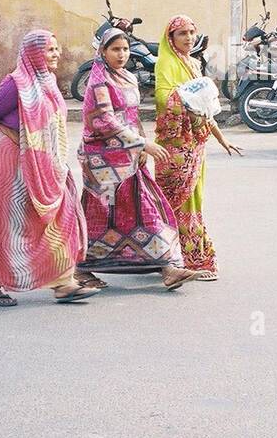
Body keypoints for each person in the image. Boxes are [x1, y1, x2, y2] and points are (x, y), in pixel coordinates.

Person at [0, 30, 97, 305]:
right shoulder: (15, 84)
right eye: (50, 50)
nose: (57, 54)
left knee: (61, 211)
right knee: (5, 220)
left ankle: (64, 282)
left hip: (43, 163)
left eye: (57, 49)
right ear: (33, 54)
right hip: (6, 157)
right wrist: (2, 146)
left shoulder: (48, 82)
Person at [77, 28, 196, 290]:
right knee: (99, 216)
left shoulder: (128, 77)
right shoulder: (98, 82)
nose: (121, 55)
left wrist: (140, 147)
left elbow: (133, 116)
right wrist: (143, 143)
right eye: (115, 49)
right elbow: (104, 121)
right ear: (103, 52)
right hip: (102, 161)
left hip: (130, 157)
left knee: (145, 210)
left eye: (125, 49)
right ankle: (80, 268)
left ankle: (168, 267)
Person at [153, 15, 243, 281]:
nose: (189, 38)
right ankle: (178, 260)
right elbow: (161, 97)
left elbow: (204, 107)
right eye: (182, 33)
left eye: (192, 32)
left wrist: (220, 137)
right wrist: (184, 96)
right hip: (175, 148)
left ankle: (182, 257)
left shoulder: (193, 63)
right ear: (170, 38)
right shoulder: (165, 63)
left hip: (195, 145)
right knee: (171, 203)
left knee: (194, 200)